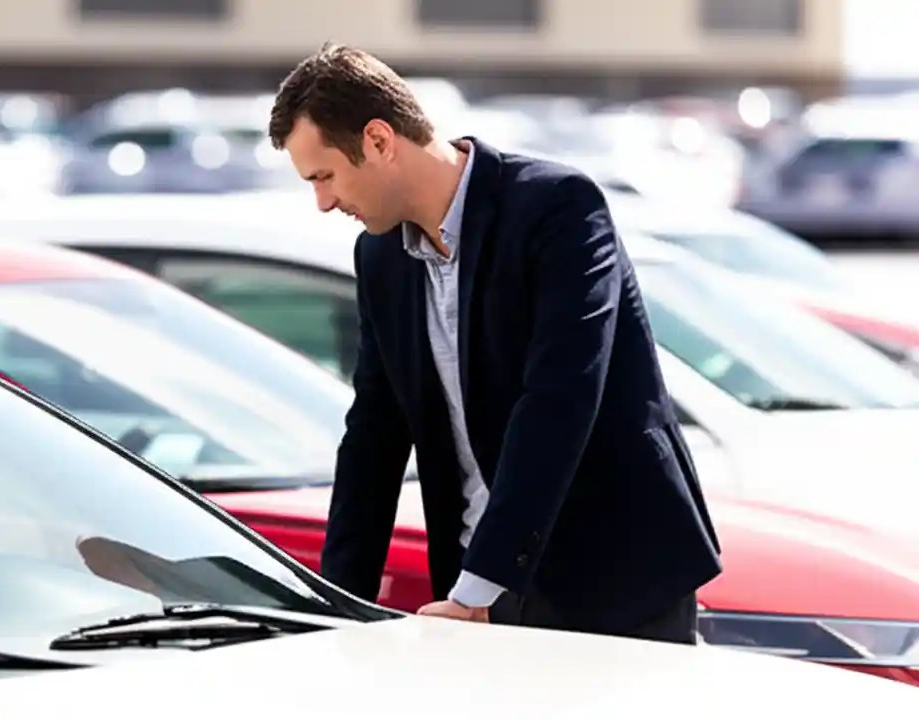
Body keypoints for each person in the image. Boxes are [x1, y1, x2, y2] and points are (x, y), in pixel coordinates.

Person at [267, 43, 722, 644]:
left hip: (614, 577)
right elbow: (373, 436)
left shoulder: (557, 207)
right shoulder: (380, 255)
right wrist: (336, 607)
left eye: (325, 176)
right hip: (476, 591)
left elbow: (560, 397)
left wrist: (478, 587)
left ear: (379, 140)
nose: (323, 202)